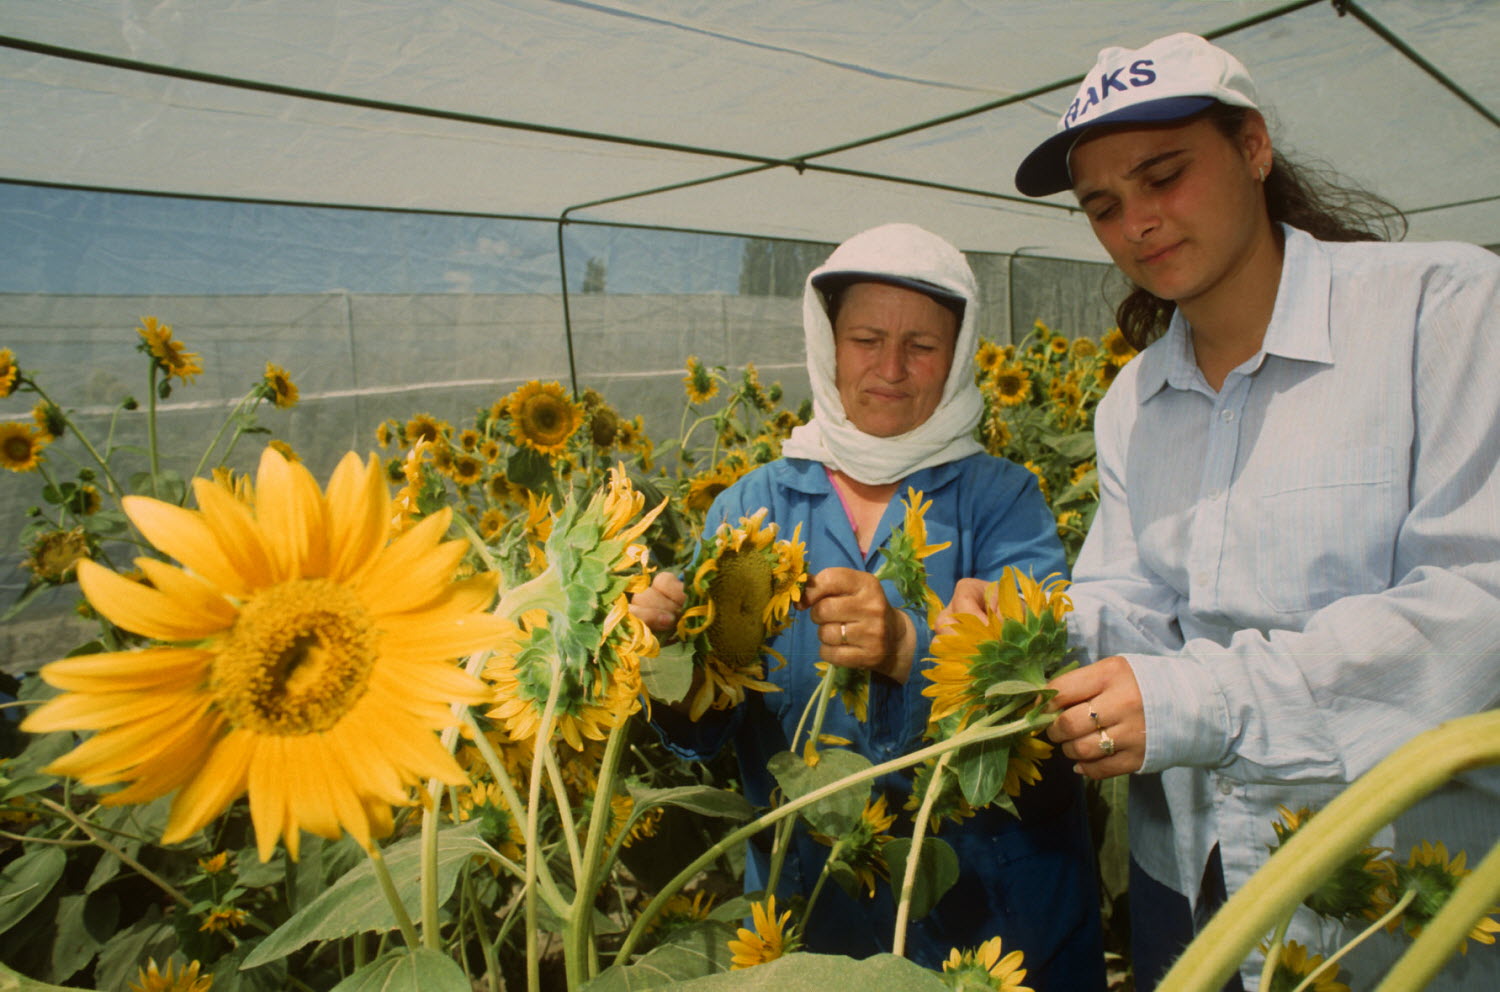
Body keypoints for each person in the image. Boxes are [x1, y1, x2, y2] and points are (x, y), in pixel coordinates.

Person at [946, 32, 1500, 991]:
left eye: (1164, 177)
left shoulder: (1442, 313)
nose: (1138, 224)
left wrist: (1200, 702)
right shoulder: (1132, 406)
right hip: (1191, 883)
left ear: (1253, 149)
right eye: (1105, 207)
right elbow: (1134, 602)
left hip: (1400, 897)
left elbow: (1476, 609)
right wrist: (1035, 635)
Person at [631, 222, 1106, 985]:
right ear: (829, 345)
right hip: (811, 911)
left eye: (922, 345)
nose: (890, 367)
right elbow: (712, 717)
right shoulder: (752, 507)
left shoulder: (1003, 502)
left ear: (956, 359)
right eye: (866, 338)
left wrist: (907, 648)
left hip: (989, 917)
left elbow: (1054, 700)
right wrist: (669, 659)